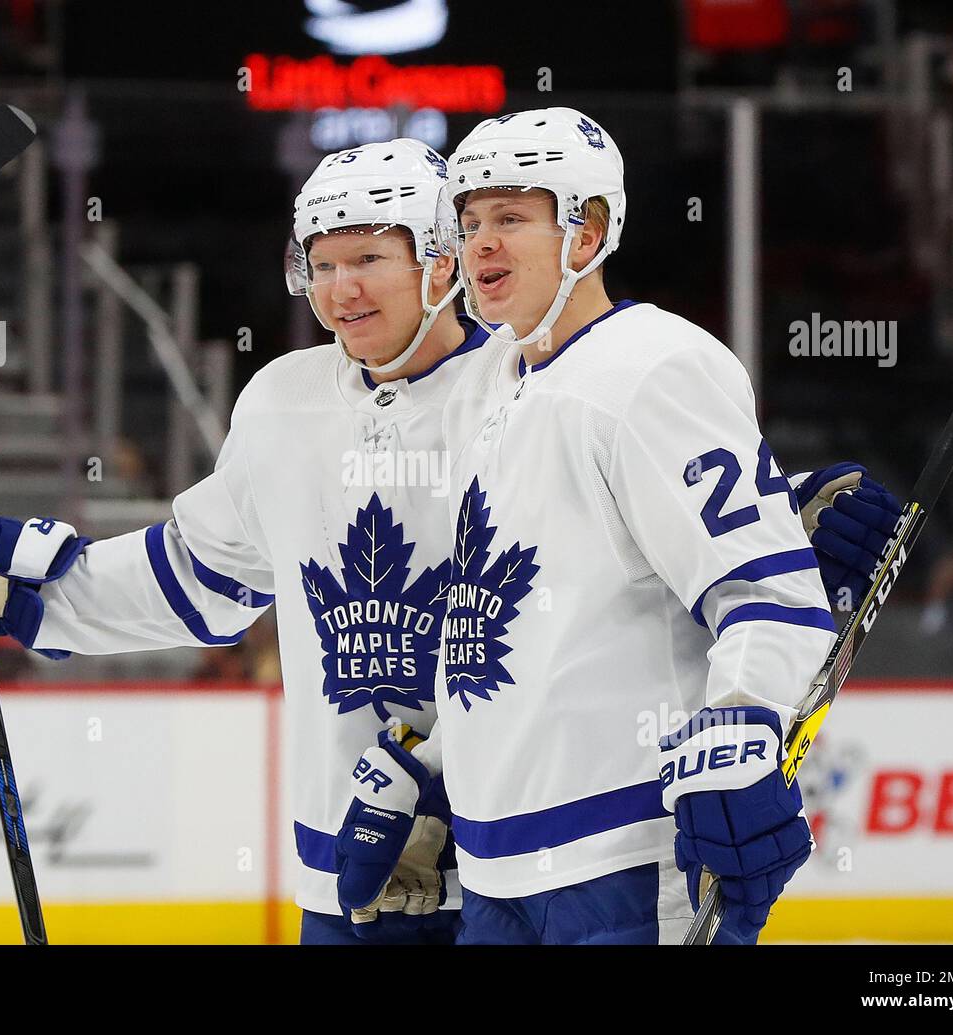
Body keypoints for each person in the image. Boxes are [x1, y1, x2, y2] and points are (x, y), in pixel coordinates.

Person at [0, 133, 897, 946]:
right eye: (322, 265)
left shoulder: (519, 385)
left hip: (505, 847)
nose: (341, 290)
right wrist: (35, 594)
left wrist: (784, 522)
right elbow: (202, 576)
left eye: (369, 257)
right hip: (354, 860)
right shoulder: (284, 403)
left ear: (439, 262)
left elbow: (639, 533)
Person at [335, 108, 901, 946]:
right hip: (495, 874)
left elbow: (765, 590)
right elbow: (506, 621)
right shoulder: (484, 385)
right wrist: (436, 775)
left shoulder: (655, 364)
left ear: (587, 231)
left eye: (511, 217)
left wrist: (744, 727)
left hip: (624, 862)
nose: (481, 242)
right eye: (471, 221)